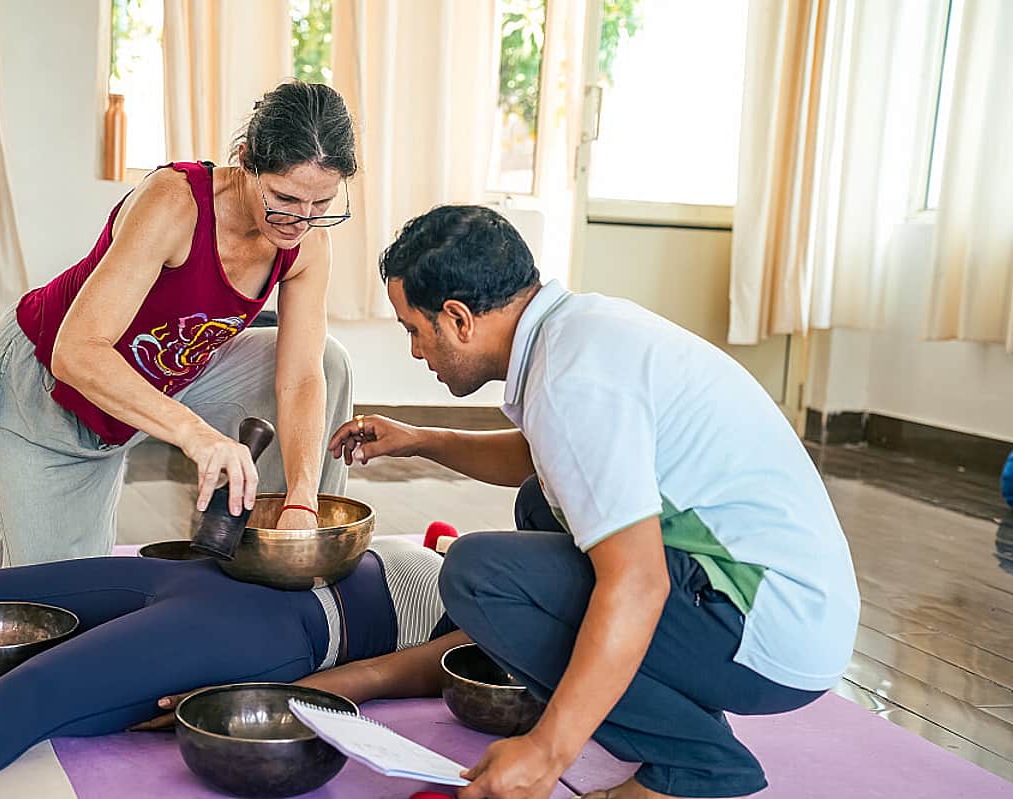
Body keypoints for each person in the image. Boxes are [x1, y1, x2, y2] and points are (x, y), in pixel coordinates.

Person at [326, 205, 861, 799]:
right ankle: (668, 722)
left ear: (457, 319)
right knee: (539, 503)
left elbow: (638, 584)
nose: (415, 351)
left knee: (480, 575)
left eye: (412, 329)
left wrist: (545, 753)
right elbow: (549, 457)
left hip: (768, 633)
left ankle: (696, 763)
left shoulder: (569, 378)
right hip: (784, 610)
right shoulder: (579, 331)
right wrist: (423, 439)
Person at [0, 80, 357, 567]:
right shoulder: (176, 201)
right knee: (61, 601)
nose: (300, 221)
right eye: (285, 198)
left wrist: (301, 497)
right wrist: (197, 436)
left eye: (321, 205)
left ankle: (279, 538)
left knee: (328, 361)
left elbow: (300, 379)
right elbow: (77, 352)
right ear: (245, 158)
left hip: (169, 374)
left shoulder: (307, 241)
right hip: (45, 382)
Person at [0, 538, 463, 798]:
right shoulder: (498, 556)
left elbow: (384, 676)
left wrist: (253, 696)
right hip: (211, 576)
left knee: (27, 697)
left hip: (264, 632)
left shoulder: (503, 635)